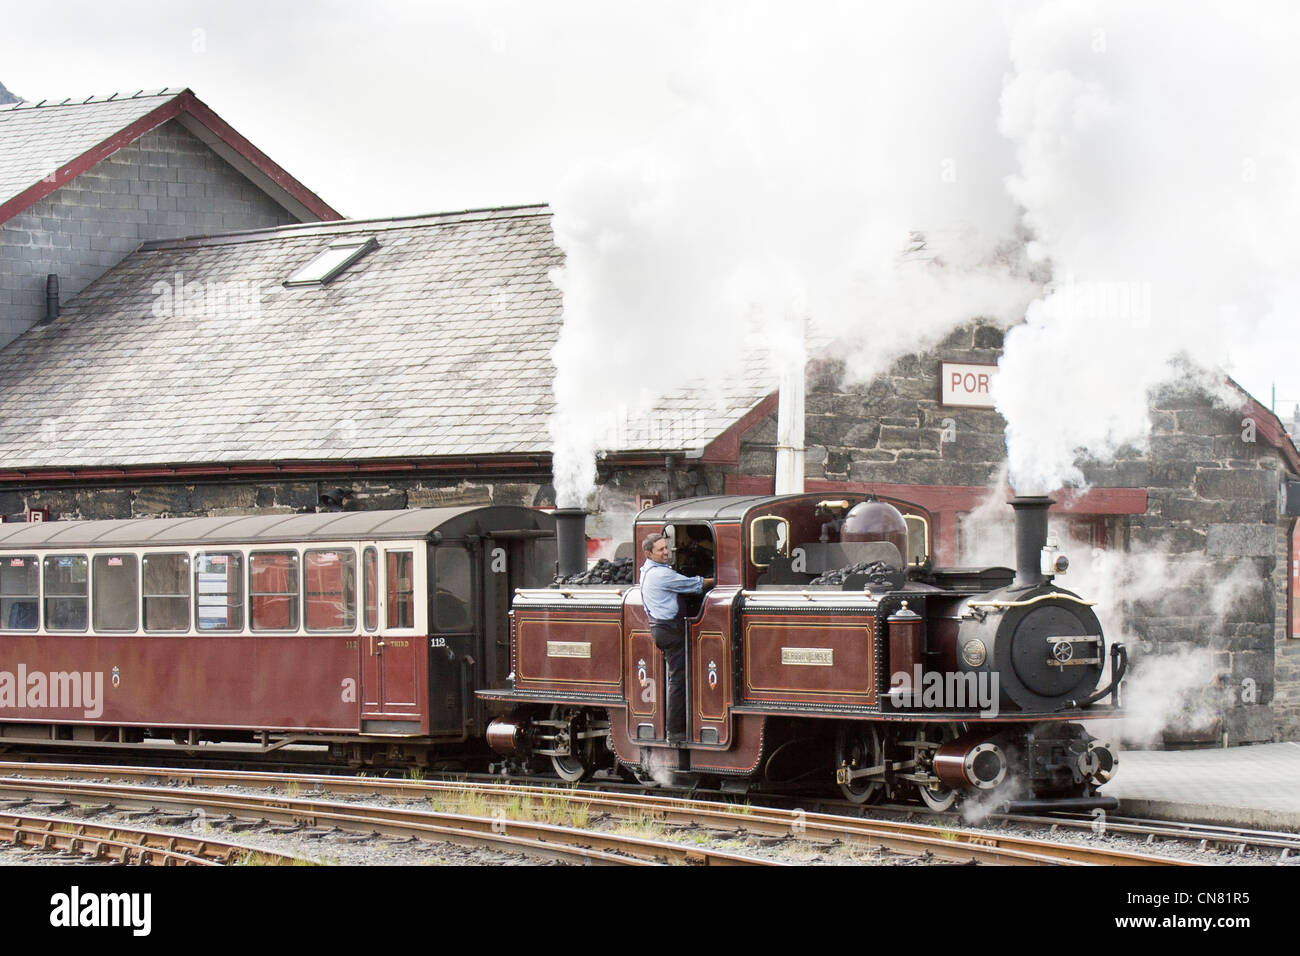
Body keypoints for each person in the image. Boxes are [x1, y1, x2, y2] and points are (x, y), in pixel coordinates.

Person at [639, 533, 714, 743]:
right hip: (670, 630)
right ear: (648, 553)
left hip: (663, 628)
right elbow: (694, 585)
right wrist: (719, 580)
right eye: (660, 550)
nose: (666, 552)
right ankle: (676, 731)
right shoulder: (661, 575)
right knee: (678, 679)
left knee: (676, 677)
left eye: (666, 548)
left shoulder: (647, 571)